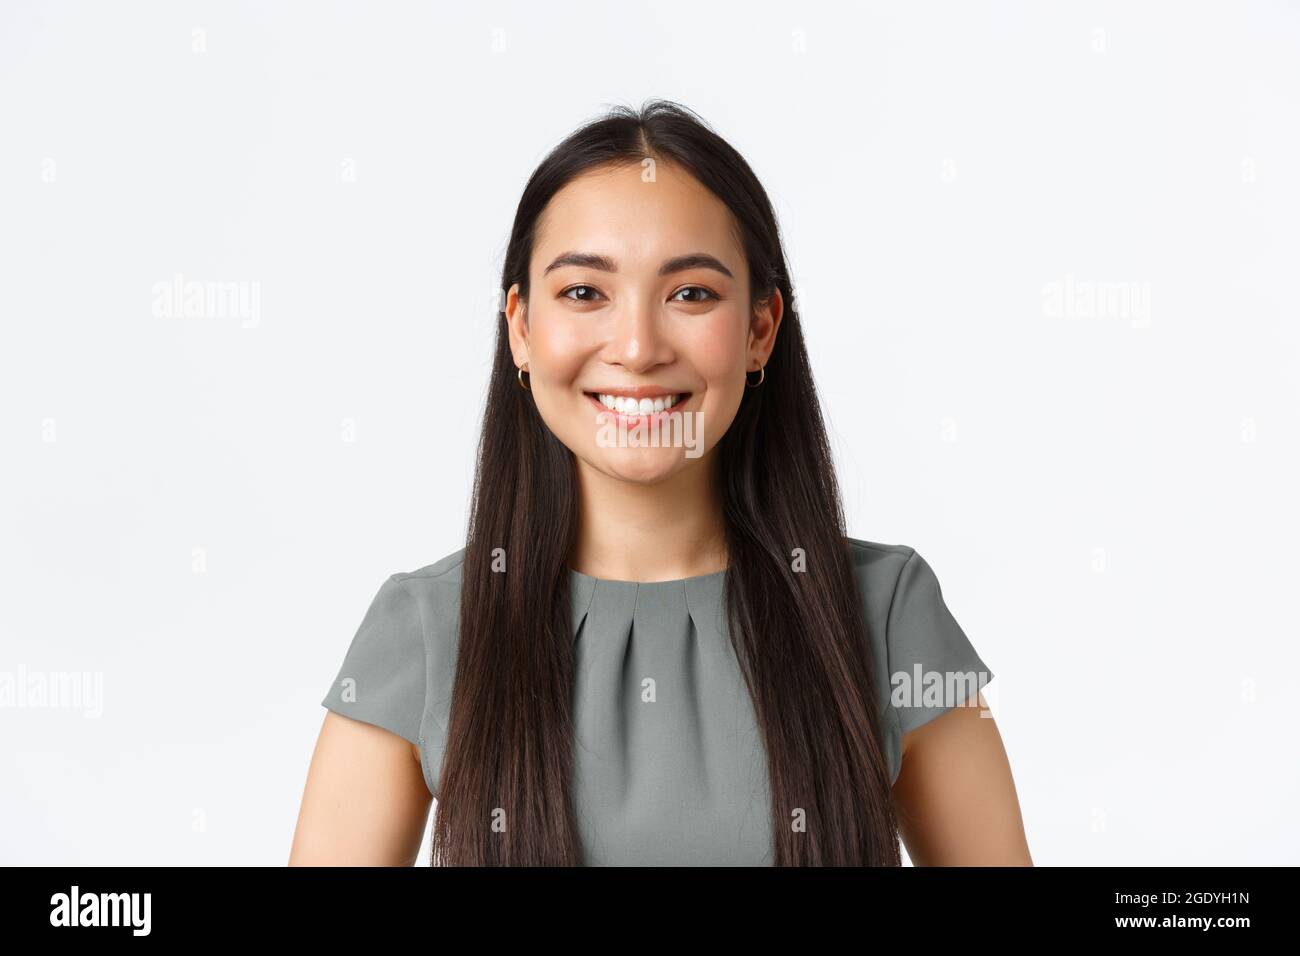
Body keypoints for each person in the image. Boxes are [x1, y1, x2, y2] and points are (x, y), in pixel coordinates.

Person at [290, 99, 1031, 866]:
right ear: (520, 327)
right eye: (584, 293)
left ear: (760, 329)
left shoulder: (887, 612)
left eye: (690, 294)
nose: (638, 348)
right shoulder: (425, 628)